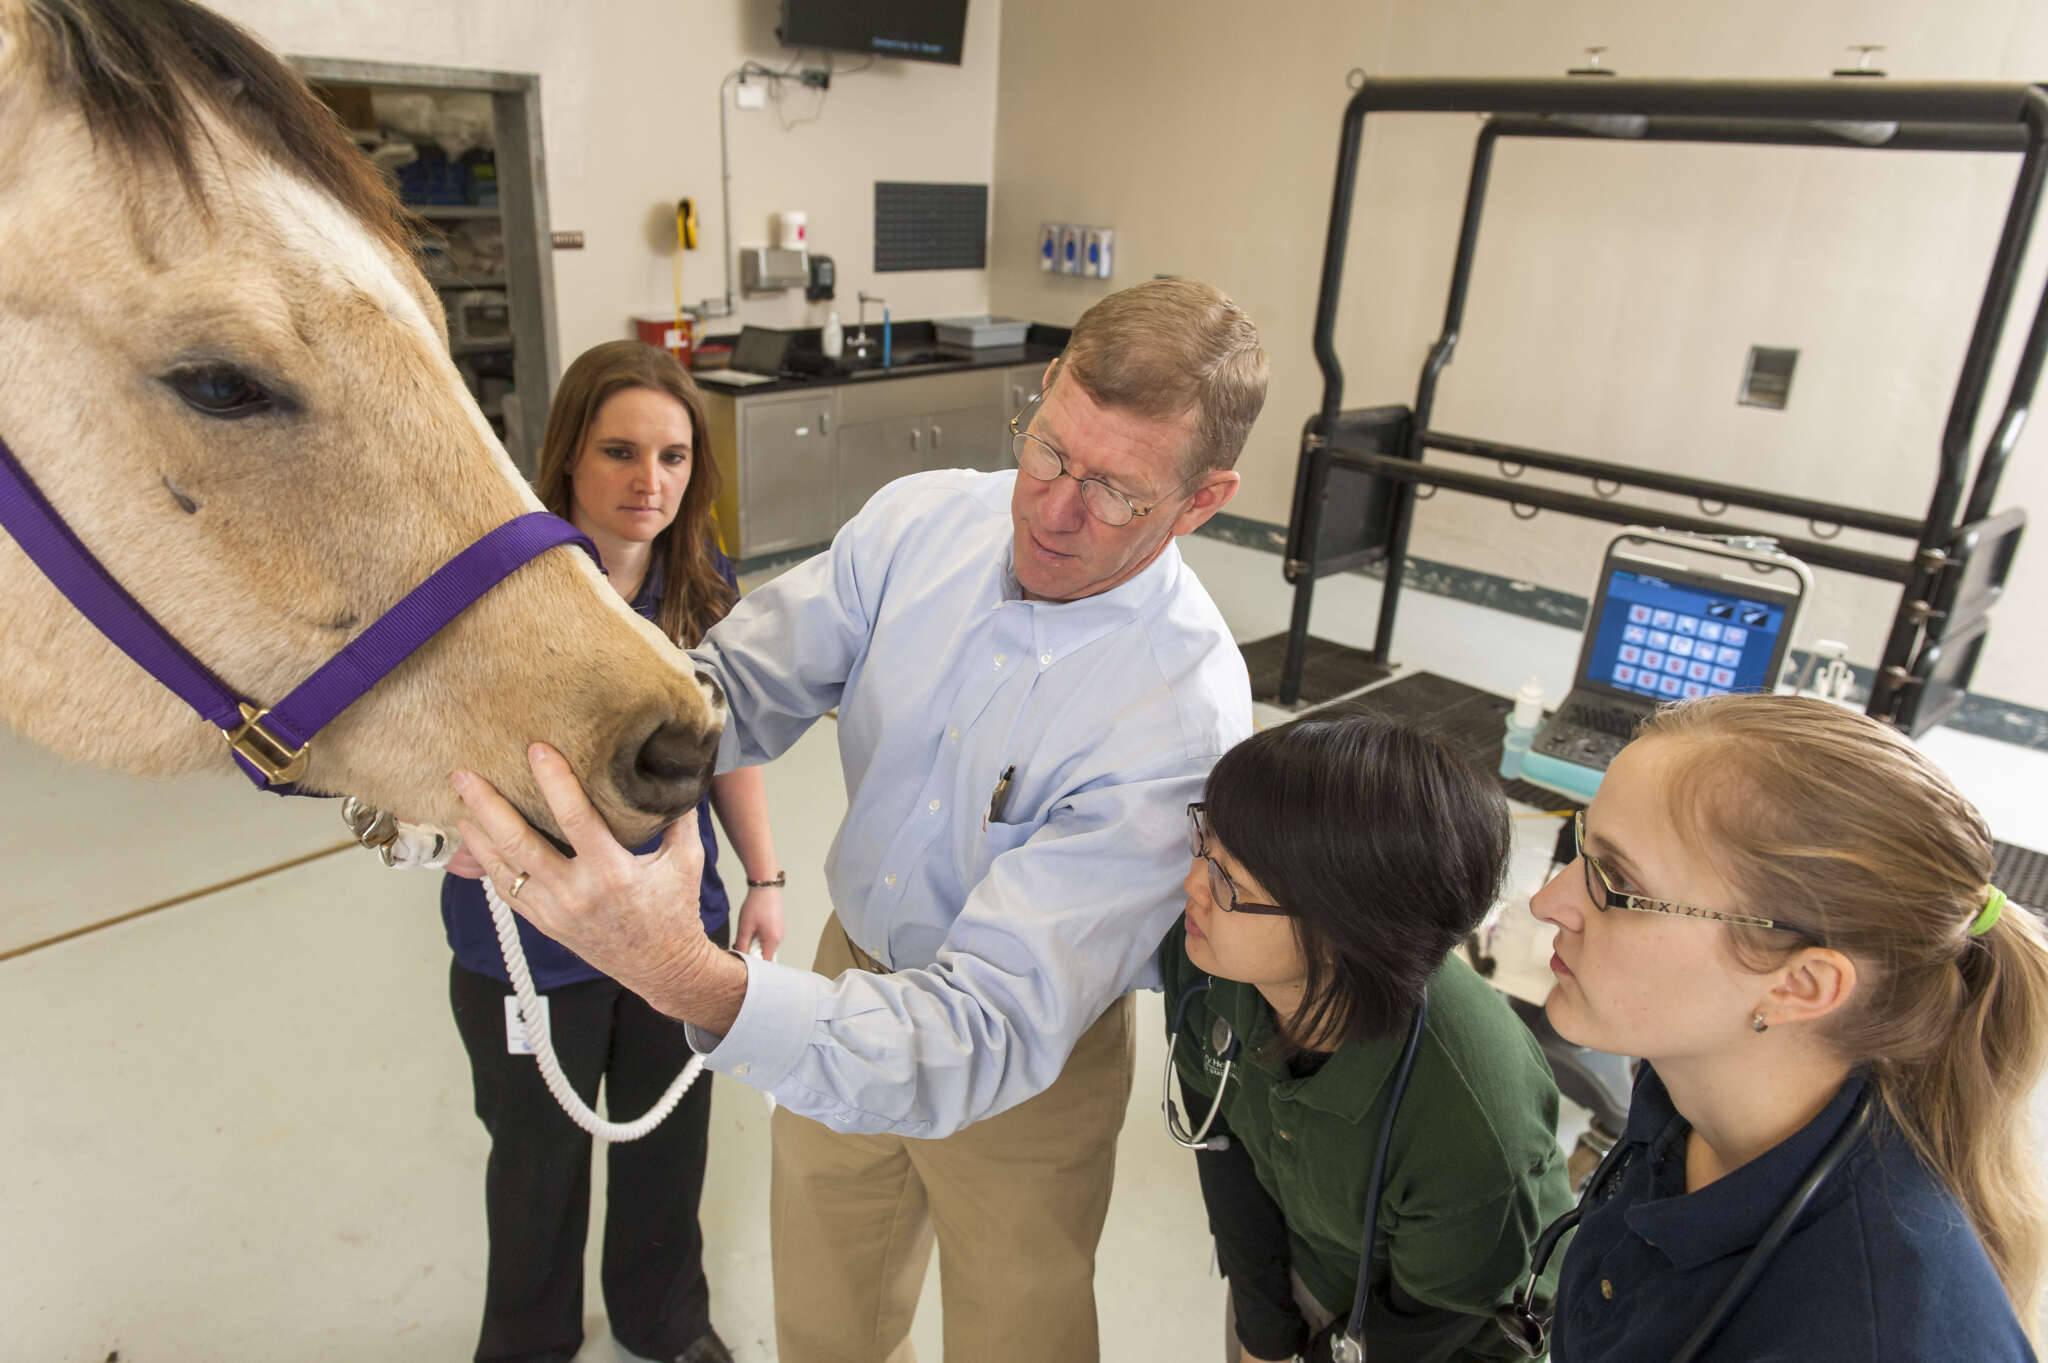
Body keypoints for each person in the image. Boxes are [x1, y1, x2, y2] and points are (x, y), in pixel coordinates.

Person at [448, 276, 1268, 1362]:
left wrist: (682, 973)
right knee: (826, 1318)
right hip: (849, 968)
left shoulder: (1176, 716)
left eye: (1115, 492)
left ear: (1202, 501)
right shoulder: (926, 521)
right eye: (1049, 449)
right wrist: (547, 766)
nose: (1051, 507)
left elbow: (980, 1030)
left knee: (1015, 1334)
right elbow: (728, 691)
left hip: (1023, 1060)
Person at [441, 341, 785, 1363]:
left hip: (677, 927)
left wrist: (762, 879)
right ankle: (526, 1337)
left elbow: (728, 745)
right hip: (527, 940)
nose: (650, 483)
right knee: (537, 1157)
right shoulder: (501, 584)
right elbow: (429, 741)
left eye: (674, 457)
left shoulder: (699, 579)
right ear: (568, 457)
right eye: (621, 452)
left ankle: (664, 1316)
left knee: (668, 1144)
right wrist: (450, 825)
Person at [1527, 694, 2047, 1362]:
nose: (1548, 902)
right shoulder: (1689, 1092)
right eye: (1583, 847)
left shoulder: (1877, 1336)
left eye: (1617, 880)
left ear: (1800, 984)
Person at [1160, 714, 1573, 1363]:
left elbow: (1436, 1318)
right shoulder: (1206, 960)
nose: (1191, 886)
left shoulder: (1470, 1111)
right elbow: (1219, 1135)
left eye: (1227, 880)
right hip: (1303, 1265)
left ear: (1343, 930)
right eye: (1203, 847)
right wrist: (1263, 1334)